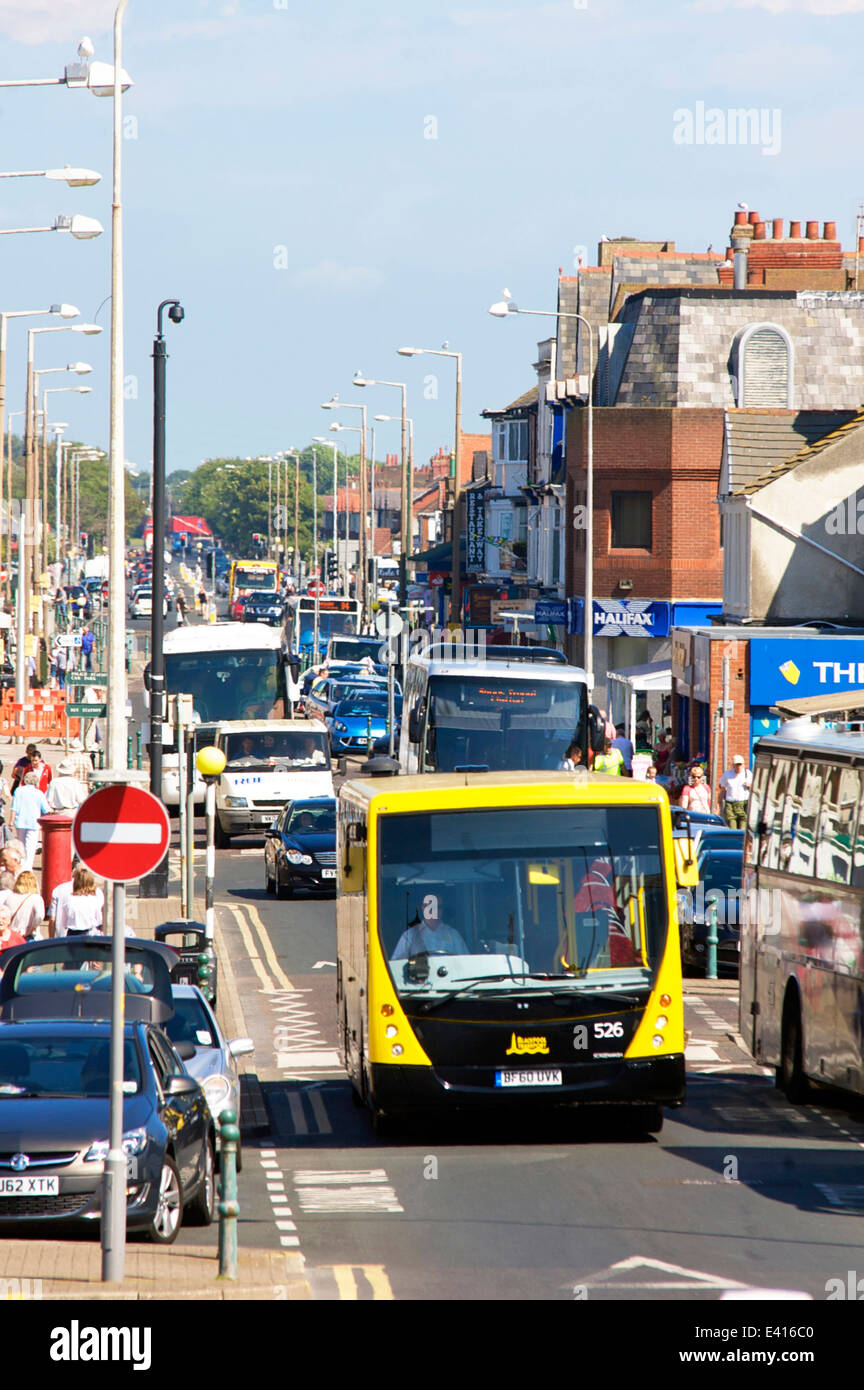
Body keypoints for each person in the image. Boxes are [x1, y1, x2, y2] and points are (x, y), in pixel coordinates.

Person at [391, 893, 469, 958]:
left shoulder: (453, 935)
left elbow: (465, 961)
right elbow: (396, 963)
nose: (433, 910)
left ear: (442, 910)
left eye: (437, 907)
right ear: (423, 908)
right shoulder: (409, 936)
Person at [11, 772, 51, 871]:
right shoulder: (39, 793)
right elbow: (46, 809)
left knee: (21, 845)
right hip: (33, 822)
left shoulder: (18, 791)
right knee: (31, 847)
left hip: (20, 821)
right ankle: (28, 868)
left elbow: (14, 807)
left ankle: (21, 866)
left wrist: (11, 821)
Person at [62, 866, 104, 937]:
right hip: (90, 934)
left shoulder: (68, 898)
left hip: (72, 934)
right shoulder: (94, 899)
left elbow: (63, 922)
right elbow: (98, 920)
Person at [5, 870, 45, 941]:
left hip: (12, 935)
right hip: (29, 936)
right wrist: (31, 929)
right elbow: (39, 916)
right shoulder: (36, 898)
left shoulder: (10, 897)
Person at [718, 754, 752, 828]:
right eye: (737, 764)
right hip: (730, 804)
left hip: (743, 803)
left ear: (743, 764)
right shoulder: (727, 774)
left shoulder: (748, 774)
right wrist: (719, 803)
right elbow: (722, 789)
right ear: (733, 765)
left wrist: (750, 786)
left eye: (740, 764)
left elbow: (755, 789)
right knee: (731, 825)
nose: (739, 766)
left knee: (743, 827)